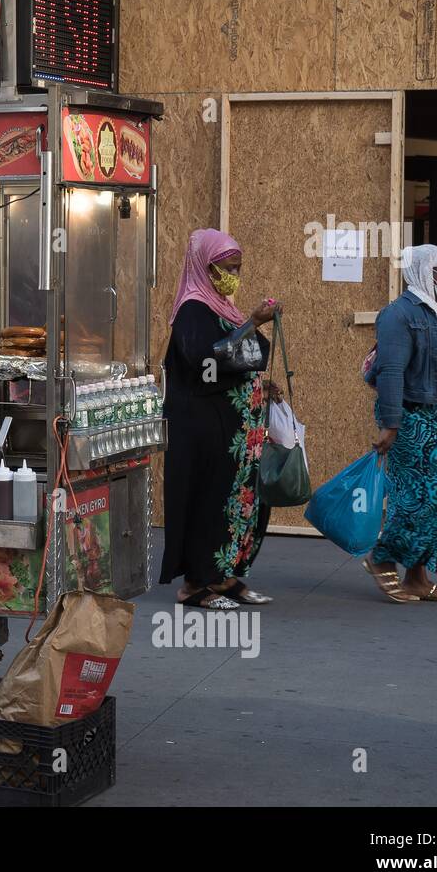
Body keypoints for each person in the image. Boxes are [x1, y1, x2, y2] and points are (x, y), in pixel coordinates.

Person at [159, 228, 282, 609]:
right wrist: (253, 323)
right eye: (229, 268)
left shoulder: (219, 306)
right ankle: (197, 584)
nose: (234, 274)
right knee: (208, 501)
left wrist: (262, 382)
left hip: (230, 431)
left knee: (231, 503)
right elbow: (206, 362)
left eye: (239, 267)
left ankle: (223, 576)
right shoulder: (193, 310)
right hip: (202, 430)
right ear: (205, 267)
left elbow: (235, 359)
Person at [362, 244, 437, 604]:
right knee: (422, 498)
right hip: (416, 421)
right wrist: (391, 424)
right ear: (427, 271)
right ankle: (382, 557)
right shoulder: (399, 315)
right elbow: (392, 372)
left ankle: (417, 577)